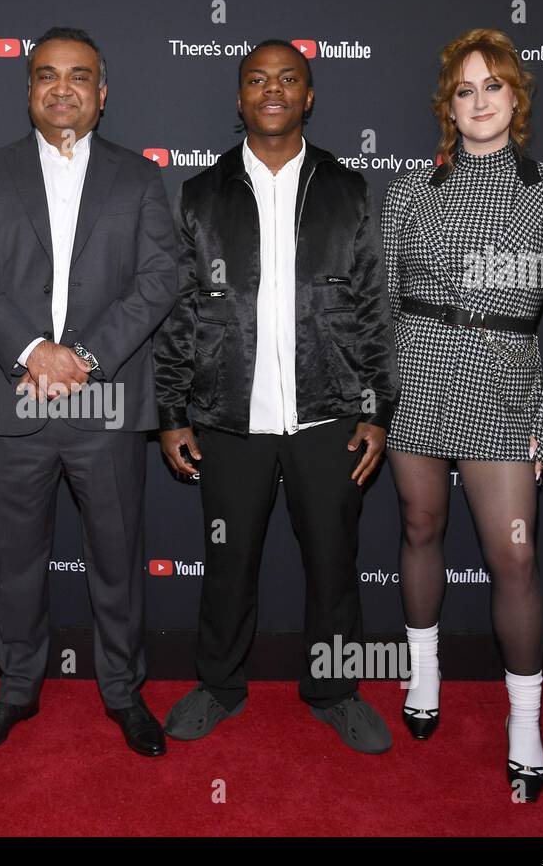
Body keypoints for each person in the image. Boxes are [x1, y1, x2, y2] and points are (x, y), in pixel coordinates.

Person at [154, 39, 398, 755]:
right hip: (230, 417)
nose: (272, 89)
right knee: (227, 561)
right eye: (256, 79)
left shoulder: (347, 190)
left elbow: (372, 309)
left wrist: (376, 406)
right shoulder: (201, 194)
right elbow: (180, 312)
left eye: (288, 78)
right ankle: (220, 684)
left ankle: (336, 689)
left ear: (309, 95)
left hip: (329, 414)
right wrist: (172, 412)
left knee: (334, 561)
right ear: (239, 99)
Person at [0, 27, 179, 757]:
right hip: (16, 394)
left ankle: (123, 691)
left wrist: (82, 357)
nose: (62, 88)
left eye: (79, 76)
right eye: (47, 75)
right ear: (29, 92)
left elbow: (160, 279)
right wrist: (34, 354)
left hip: (102, 399)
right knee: (15, 561)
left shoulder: (138, 178)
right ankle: (16, 688)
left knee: (117, 557)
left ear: (102, 94)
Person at [381, 28, 543, 801]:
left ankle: (525, 719)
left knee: (513, 558)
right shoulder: (409, 192)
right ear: (449, 105)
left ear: (516, 97)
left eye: (493, 86)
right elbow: (379, 306)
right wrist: (373, 398)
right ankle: (424, 672)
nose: (479, 101)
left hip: (504, 389)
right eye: (464, 90)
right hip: (416, 378)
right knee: (418, 528)